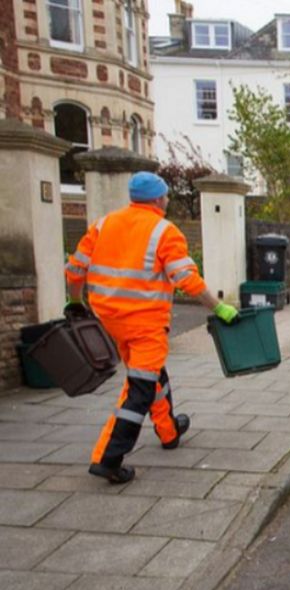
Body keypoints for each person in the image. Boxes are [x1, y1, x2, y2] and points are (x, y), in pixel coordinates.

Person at [65, 171, 240, 484]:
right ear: (159, 199)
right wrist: (220, 307)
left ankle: (169, 430)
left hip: (110, 321)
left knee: (150, 374)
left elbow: (75, 269)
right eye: (167, 196)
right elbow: (187, 280)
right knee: (139, 390)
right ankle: (108, 457)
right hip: (145, 324)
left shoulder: (104, 224)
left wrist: (76, 303)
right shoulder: (164, 231)